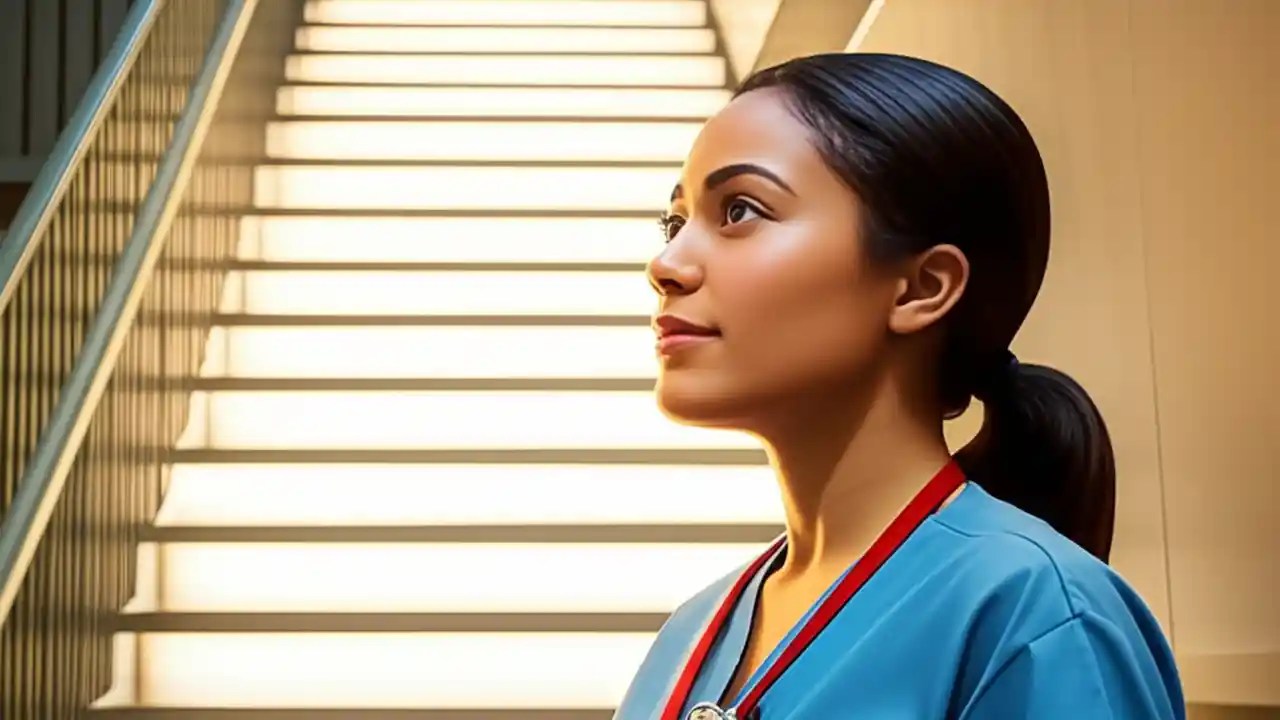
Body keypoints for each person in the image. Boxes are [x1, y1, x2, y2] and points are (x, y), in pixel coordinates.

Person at [614, 53, 1184, 720]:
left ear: (922, 287)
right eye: (675, 224)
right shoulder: (689, 635)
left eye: (740, 209)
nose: (667, 264)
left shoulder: (1040, 617)